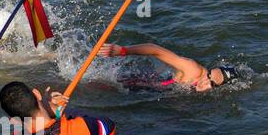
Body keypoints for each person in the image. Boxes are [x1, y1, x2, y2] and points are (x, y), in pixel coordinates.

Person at [97, 41, 234, 92]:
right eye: (207, 76)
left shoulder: (206, 90)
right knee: (100, 85)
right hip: (147, 82)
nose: (205, 83)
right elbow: (154, 49)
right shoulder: (192, 69)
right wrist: (122, 51)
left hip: (158, 88)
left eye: (211, 84)